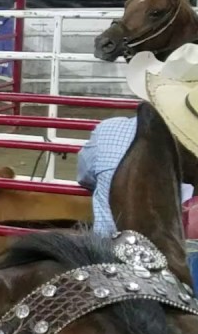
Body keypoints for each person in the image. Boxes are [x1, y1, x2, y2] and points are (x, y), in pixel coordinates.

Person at [78, 46, 198, 236]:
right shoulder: (190, 152)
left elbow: (85, 175)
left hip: (105, 254)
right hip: (174, 257)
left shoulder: (108, 131)